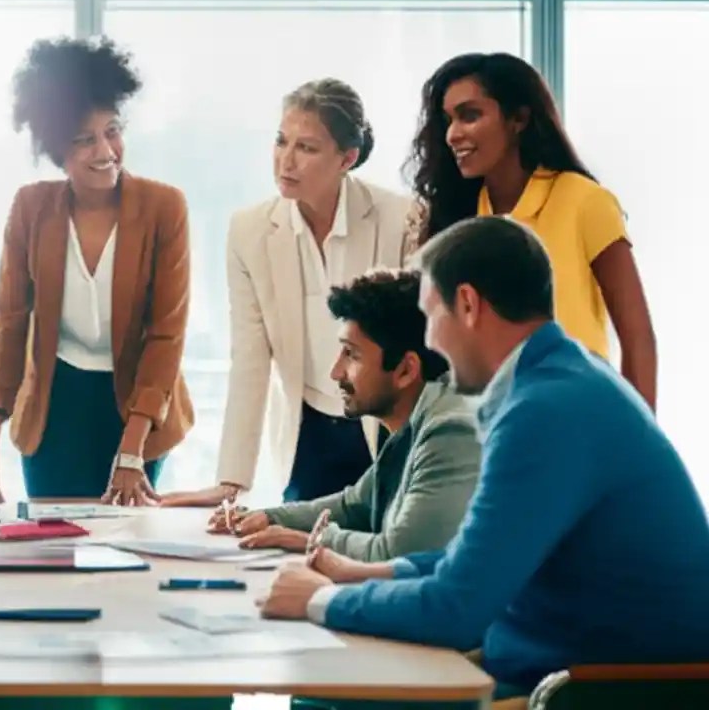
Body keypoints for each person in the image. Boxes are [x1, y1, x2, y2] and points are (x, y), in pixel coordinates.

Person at [260, 216, 709, 702]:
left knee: (343, 691)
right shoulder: (561, 380)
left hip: (600, 693)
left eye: (432, 316)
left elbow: (457, 607)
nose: (430, 342)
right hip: (566, 671)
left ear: (469, 305)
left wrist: (322, 599)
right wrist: (375, 573)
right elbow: (484, 559)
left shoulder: (544, 411)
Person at [0, 37, 193, 507]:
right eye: (84, 139)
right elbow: (9, 326)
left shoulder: (164, 207)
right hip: (54, 409)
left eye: (112, 131)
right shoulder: (30, 208)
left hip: (138, 406)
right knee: (55, 539)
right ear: (56, 147)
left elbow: (166, 336)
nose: (105, 150)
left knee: (127, 537)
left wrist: (131, 450)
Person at [161, 78, 412, 509]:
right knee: (298, 542)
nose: (286, 160)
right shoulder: (249, 231)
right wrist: (231, 481)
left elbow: (419, 346)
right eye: (281, 141)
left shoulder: (400, 219)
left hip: (386, 424)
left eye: (307, 148)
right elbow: (250, 359)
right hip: (308, 432)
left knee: (384, 540)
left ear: (347, 158)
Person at [408, 52, 657, 410]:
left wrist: (636, 436)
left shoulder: (585, 202)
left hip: (574, 417)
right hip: (480, 424)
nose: (452, 134)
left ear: (519, 119)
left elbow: (638, 340)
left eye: (470, 115)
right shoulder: (454, 218)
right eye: (448, 120)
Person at [208, 269, 479, 563]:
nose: (336, 372)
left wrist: (313, 541)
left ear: (405, 370)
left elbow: (402, 554)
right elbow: (354, 506)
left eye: (352, 354)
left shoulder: (451, 432)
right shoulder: (417, 419)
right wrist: (269, 517)